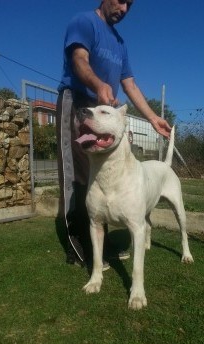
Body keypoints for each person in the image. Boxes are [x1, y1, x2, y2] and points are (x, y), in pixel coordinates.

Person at [56, 0, 172, 269]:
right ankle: (78, 247)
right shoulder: (83, 22)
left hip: (104, 110)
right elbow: (79, 60)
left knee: (101, 180)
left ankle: (101, 246)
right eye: (121, 1)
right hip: (78, 101)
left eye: (129, 5)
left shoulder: (120, 43)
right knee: (77, 178)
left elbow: (129, 83)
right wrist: (98, 84)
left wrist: (153, 118)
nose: (123, 9)